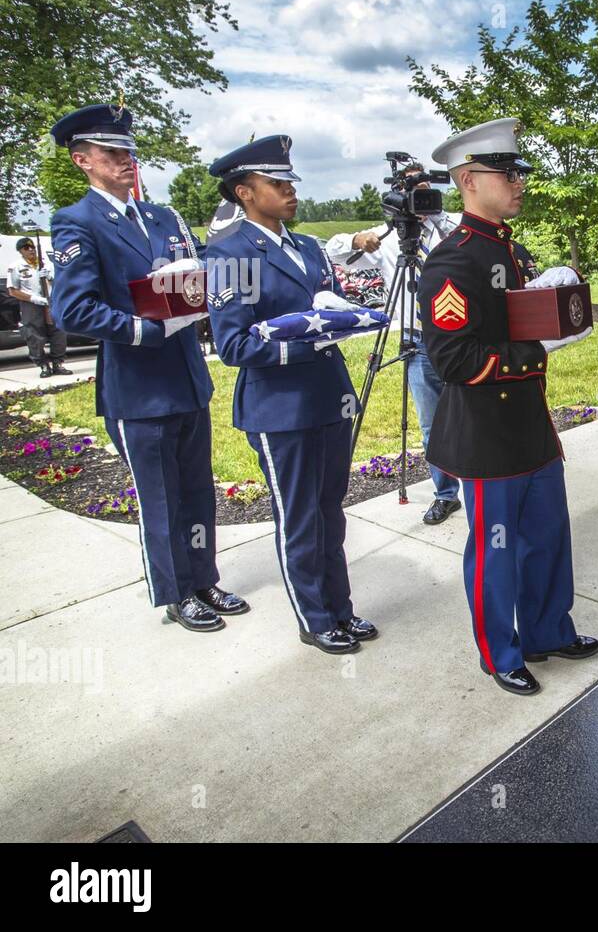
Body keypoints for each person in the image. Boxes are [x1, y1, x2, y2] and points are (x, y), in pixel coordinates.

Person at [49, 104, 247, 632]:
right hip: (138, 385)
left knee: (198, 488)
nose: (126, 161)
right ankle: (176, 592)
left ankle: (203, 579)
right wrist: (145, 328)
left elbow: (193, 276)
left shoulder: (163, 217)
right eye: (113, 153)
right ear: (82, 160)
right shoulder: (77, 221)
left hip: (185, 375)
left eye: (130, 152)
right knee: (161, 498)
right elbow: (71, 309)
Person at [420, 117, 598, 697]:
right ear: (469, 179)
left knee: (547, 537)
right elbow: (453, 360)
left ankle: (548, 631)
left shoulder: (509, 250)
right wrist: (535, 348)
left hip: (528, 424)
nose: (520, 181)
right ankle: (500, 652)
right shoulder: (452, 262)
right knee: (495, 551)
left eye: (520, 169)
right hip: (485, 434)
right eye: (508, 171)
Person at [205, 135, 374, 654]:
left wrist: (344, 320)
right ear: (244, 192)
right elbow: (234, 343)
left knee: (330, 511)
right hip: (280, 407)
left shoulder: (307, 246)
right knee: (298, 517)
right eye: (276, 184)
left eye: (290, 182)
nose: (289, 191)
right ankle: (314, 616)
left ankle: (341, 609)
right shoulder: (230, 253)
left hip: (328, 396)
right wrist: (308, 338)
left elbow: (331, 305)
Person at [323, 166, 464, 525]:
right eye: (413, 189)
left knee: (472, 416)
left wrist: (436, 216)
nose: (422, 194)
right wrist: (357, 240)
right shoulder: (388, 239)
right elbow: (334, 252)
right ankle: (446, 493)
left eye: (425, 186)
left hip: (462, 337)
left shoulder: (454, 226)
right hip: (417, 341)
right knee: (432, 424)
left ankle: (484, 487)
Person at [7, 237, 70, 377]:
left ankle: (58, 364)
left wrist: (50, 278)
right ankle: (43, 365)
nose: (30, 250)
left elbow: (61, 283)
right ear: (20, 251)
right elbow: (12, 291)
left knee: (58, 333)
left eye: (32, 247)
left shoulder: (47, 264)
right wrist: (34, 298)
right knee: (34, 336)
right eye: (26, 248)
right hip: (31, 305)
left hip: (51, 302)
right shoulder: (16, 266)